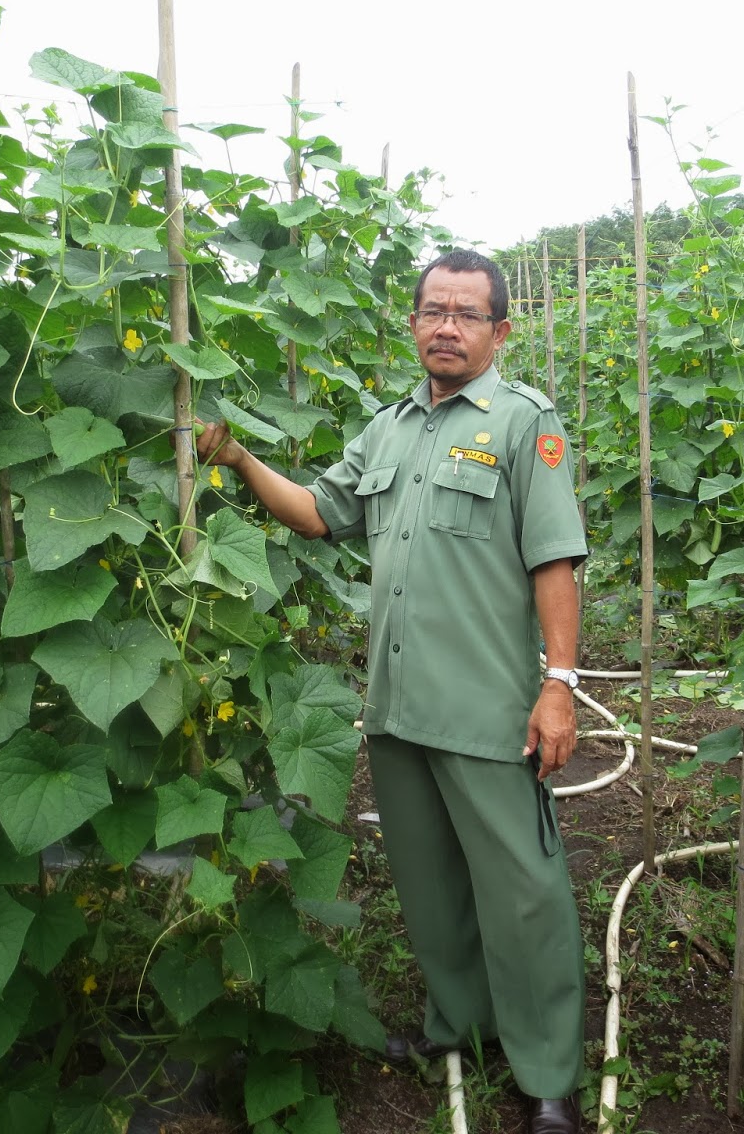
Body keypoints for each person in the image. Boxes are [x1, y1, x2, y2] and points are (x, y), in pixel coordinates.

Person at [195, 249, 589, 1134]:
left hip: (486, 705)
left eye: (467, 314)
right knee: (428, 880)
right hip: (398, 706)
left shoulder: (526, 424)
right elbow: (318, 511)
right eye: (432, 311)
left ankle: (547, 1075)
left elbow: (555, 560)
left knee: (524, 891)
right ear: (412, 323)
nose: (447, 327)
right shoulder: (391, 428)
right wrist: (240, 457)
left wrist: (557, 687)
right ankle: (458, 1026)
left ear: (499, 331)